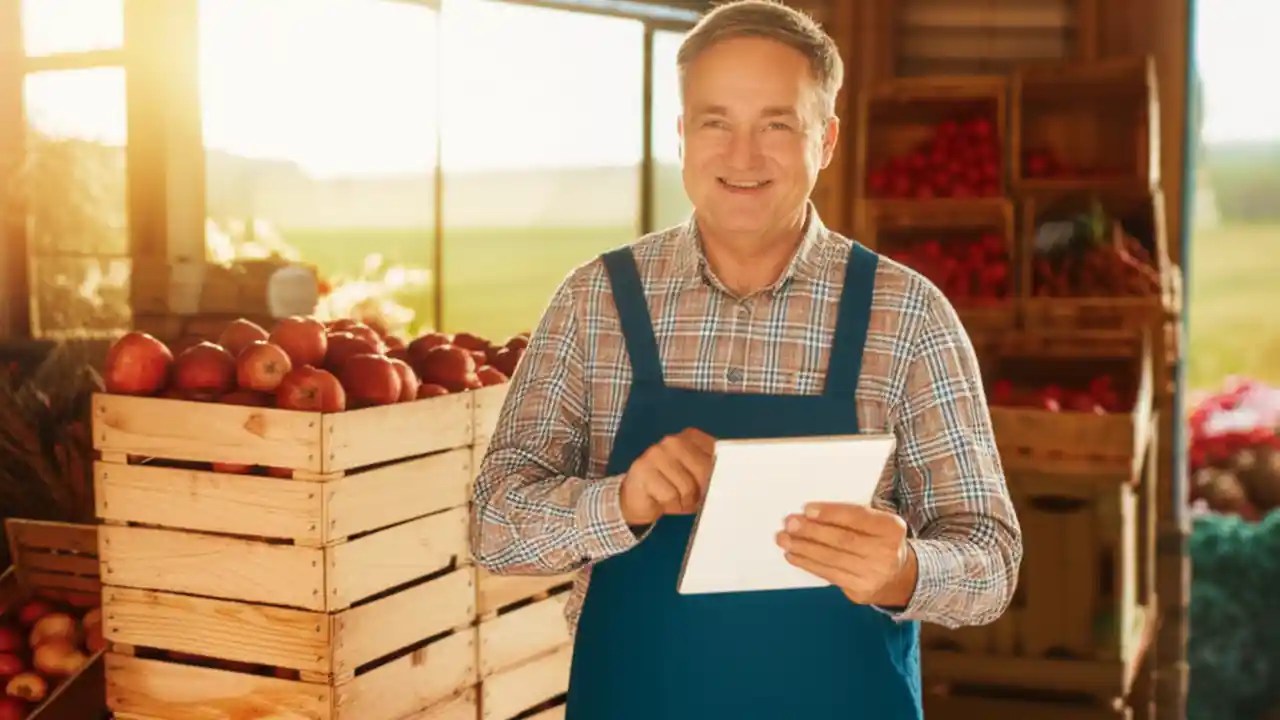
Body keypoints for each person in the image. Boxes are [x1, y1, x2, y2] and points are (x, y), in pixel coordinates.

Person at [470, 1, 1023, 717]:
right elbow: (492, 530)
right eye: (716, 122)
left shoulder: (908, 317)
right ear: (681, 136)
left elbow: (992, 562)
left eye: (776, 125)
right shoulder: (595, 302)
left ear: (824, 140)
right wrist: (621, 502)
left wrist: (904, 568)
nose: (742, 156)